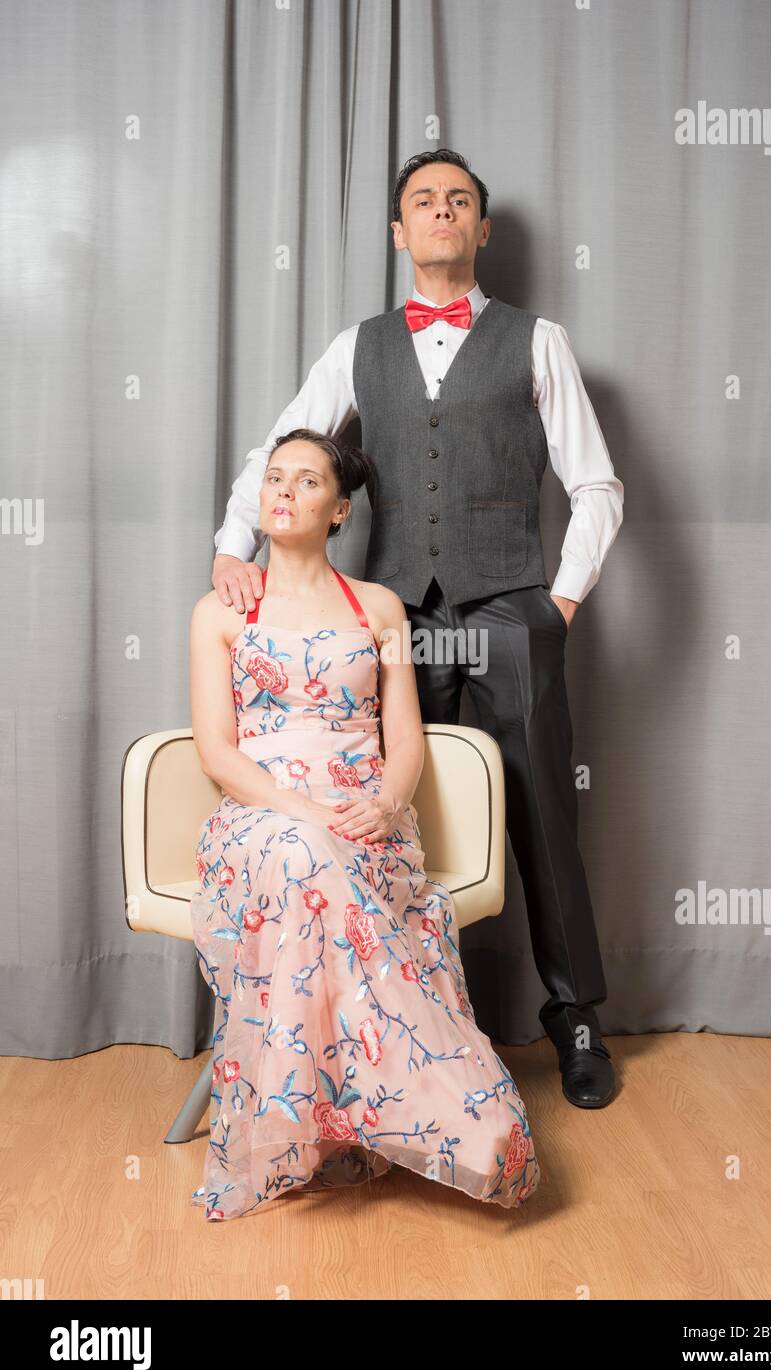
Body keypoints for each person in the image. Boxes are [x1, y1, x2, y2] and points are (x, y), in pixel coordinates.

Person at [212, 148, 624, 1109]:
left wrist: (555, 603)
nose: (441, 214)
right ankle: (418, 1022)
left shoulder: (537, 338)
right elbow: (279, 449)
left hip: (509, 608)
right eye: (422, 203)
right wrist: (233, 546)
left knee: (538, 812)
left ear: (480, 230)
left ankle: (573, 1019)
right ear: (398, 231)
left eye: (459, 203)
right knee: (401, 813)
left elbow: (596, 484)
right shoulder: (356, 347)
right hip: (390, 622)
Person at [188, 428, 541, 1220]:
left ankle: (348, 1117)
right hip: (261, 816)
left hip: (364, 811)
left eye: (306, 481)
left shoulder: (377, 607)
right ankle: (444, 1112)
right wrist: (309, 813)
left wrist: (384, 805)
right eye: (274, 478)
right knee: (302, 852)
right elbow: (217, 752)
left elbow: (404, 738)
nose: (282, 491)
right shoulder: (217, 611)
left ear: (339, 509)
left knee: (325, 858)